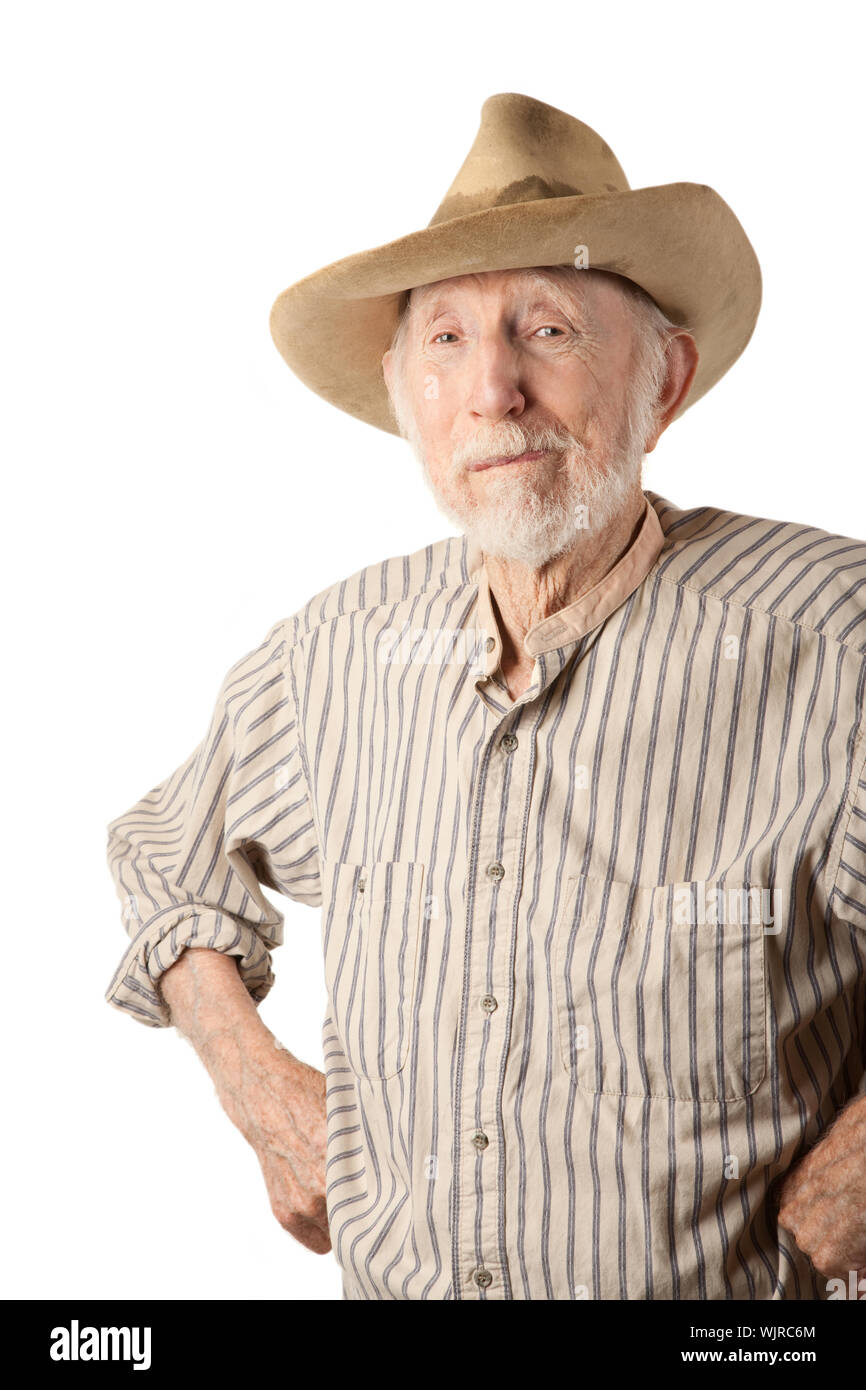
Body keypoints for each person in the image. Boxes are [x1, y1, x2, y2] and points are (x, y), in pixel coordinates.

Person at [105, 92, 866, 1300]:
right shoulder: (336, 654)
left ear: (661, 379)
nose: (492, 388)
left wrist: (846, 1192)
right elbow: (164, 858)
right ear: (407, 395)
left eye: (549, 328)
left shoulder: (830, 639)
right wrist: (258, 1088)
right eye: (445, 340)